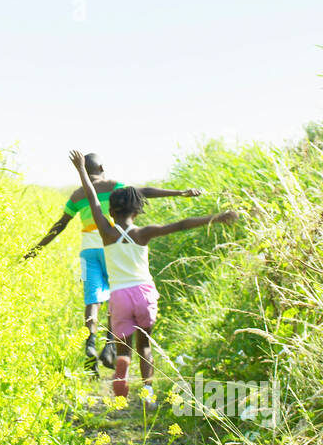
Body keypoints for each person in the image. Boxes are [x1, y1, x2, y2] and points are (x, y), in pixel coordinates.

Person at [68, 149, 238, 402]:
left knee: (124, 347)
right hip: (144, 294)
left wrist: (81, 169)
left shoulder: (107, 232)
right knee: (144, 346)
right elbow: (180, 225)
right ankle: (148, 390)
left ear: (111, 212)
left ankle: (120, 384)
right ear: (136, 212)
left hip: (120, 298)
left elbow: (93, 200)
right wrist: (217, 218)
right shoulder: (143, 233)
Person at [25, 152, 202, 368]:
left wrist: (36, 249)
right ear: (101, 168)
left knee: (92, 300)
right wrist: (179, 193)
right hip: (111, 246)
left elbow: (61, 224)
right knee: (116, 295)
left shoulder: (77, 195)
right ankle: (109, 345)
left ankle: (89, 343)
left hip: (88, 251)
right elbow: (142, 192)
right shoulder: (114, 185)